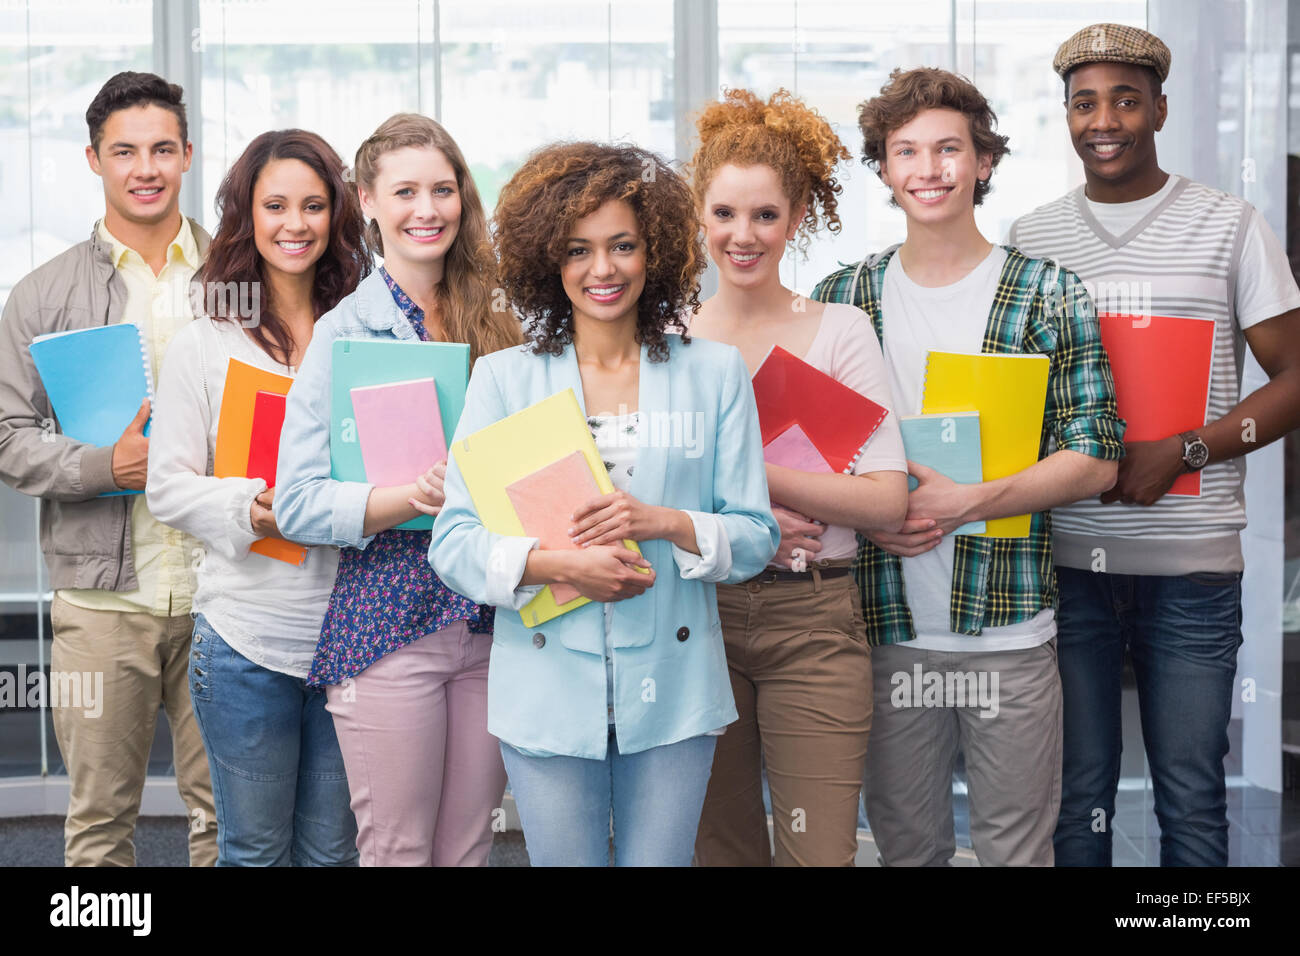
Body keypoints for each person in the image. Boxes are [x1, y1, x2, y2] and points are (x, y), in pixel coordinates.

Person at [429, 141, 781, 867]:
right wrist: (560, 565)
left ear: (654, 252)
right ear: (547, 262)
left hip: (676, 689)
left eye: (623, 246)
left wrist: (667, 523)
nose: (603, 270)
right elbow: (453, 542)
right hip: (546, 684)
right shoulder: (503, 381)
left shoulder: (713, 374)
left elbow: (755, 537)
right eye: (579, 250)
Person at [811, 67, 1125, 866]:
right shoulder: (843, 299)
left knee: (1017, 853)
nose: (928, 168)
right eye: (905, 150)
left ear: (983, 161)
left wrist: (967, 501)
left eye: (949, 148)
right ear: (883, 168)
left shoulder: (1048, 291)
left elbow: (1097, 456)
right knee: (906, 850)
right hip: (883, 631)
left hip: (1011, 636)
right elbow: (810, 459)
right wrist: (873, 512)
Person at [1009, 24, 1300, 866]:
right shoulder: (1032, 239)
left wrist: (1189, 449)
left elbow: (1293, 378)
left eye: (1126, 100)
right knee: (1076, 792)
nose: (1106, 120)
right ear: (1066, 115)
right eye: (1085, 102)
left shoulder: (1231, 225)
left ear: (1160, 109)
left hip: (1191, 568)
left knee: (1192, 797)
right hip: (1068, 564)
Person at [274, 114, 521, 866]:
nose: (428, 209)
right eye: (406, 191)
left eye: (443, 190)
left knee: (470, 846)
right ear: (368, 201)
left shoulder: (504, 320)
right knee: (399, 850)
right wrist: (412, 495)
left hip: (493, 623)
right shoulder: (343, 335)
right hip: (389, 628)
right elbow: (298, 502)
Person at [686, 89, 909, 867]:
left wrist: (751, 482)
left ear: (799, 214)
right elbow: (635, 493)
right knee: (721, 851)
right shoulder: (668, 338)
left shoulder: (839, 331)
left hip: (815, 621)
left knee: (820, 854)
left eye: (766, 216)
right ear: (698, 213)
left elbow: (886, 499)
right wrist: (751, 523)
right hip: (695, 615)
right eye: (724, 214)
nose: (742, 237)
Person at [0, 71, 217, 867]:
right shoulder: (41, 293)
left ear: (187, 154)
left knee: (225, 822)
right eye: (125, 151)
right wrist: (103, 463)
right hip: (100, 603)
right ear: (94, 159)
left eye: (162, 148)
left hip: (224, 591)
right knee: (97, 828)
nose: (146, 167)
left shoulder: (238, 281)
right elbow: (6, 435)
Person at [146, 129, 368, 865]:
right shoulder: (206, 342)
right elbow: (167, 487)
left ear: (337, 213)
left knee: (334, 854)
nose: (295, 224)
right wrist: (256, 508)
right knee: (255, 851)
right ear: (247, 215)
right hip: (247, 639)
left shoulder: (363, 332)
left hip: (354, 636)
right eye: (275, 205)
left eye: (313, 205)